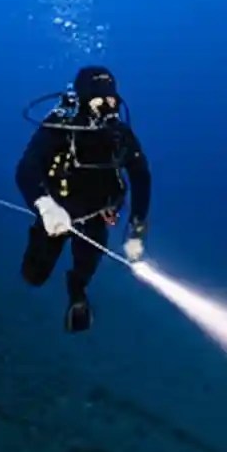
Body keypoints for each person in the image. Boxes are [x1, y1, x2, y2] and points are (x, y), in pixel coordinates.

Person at [14, 65, 151, 333]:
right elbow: (26, 169)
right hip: (57, 214)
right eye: (99, 100)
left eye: (112, 101)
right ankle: (48, 276)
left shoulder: (120, 135)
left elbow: (141, 177)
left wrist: (137, 230)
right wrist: (45, 205)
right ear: (84, 99)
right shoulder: (59, 126)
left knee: (84, 270)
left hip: (96, 217)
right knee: (33, 276)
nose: (107, 108)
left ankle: (77, 295)